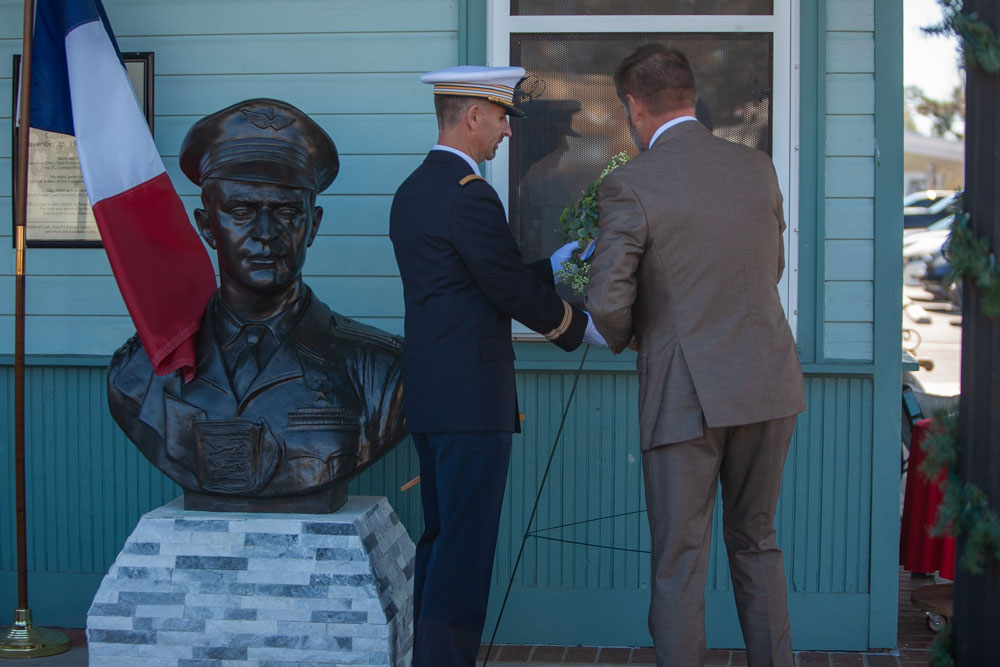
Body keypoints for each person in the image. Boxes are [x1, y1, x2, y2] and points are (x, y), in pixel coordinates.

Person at [585, 45, 807, 667]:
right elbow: (773, 268)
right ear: (690, 95)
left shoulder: (631, 181)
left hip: (686, 391)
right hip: (768, 379)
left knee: (680, 560)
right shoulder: (757, 167)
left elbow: (607, 300)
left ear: (632, 105)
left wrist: (633, 336)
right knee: (757, 542)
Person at [389, 65, 605, 667]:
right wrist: (583, 328)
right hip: (473, 400)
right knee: (466, 549)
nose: (508, 130)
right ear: (473, 115)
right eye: (503, 116)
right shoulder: (469, 192)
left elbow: (473, 284)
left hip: (435, 396)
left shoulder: (413, 191)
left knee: (441, 541)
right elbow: (503, 290)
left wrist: (549, 266)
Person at [107, 99, 405, 514]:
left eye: (286, 212)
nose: (266, 234)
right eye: (242, 211)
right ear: (207, 225)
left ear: (313, 225)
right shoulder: (138, 373)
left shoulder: (382, 370)